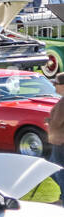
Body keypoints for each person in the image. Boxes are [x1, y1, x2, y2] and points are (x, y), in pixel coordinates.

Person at [46, 75, 64, 206]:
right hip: (60, 141)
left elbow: (57, 123)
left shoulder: (63, 102)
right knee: (52, 168)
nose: (54, 86)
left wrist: (49, 121)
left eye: (56, 83)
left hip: (60, 142)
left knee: (56, 169)